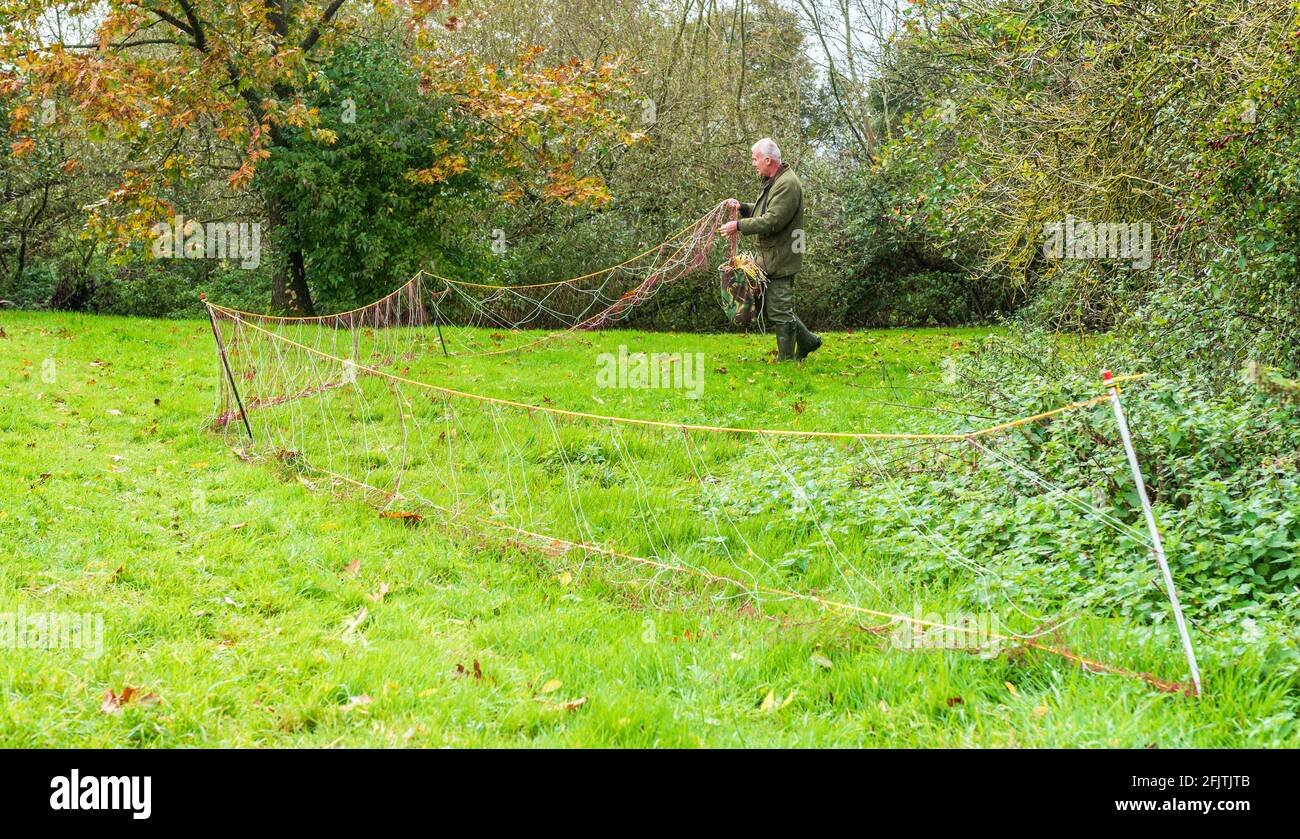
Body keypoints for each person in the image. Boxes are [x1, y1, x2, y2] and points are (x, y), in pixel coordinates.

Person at [720, 138, 821, 362]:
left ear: (768, 160)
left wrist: (738, 226)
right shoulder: (774, 180)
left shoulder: (787, 184)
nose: (753, 163)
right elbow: (764, 210)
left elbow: (773, 220)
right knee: (774, 307)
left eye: (755, 159)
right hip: (771, 255)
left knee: (780, 310)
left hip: (783, 257)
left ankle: (787, 360)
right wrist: (743, 208)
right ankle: (808, 341)